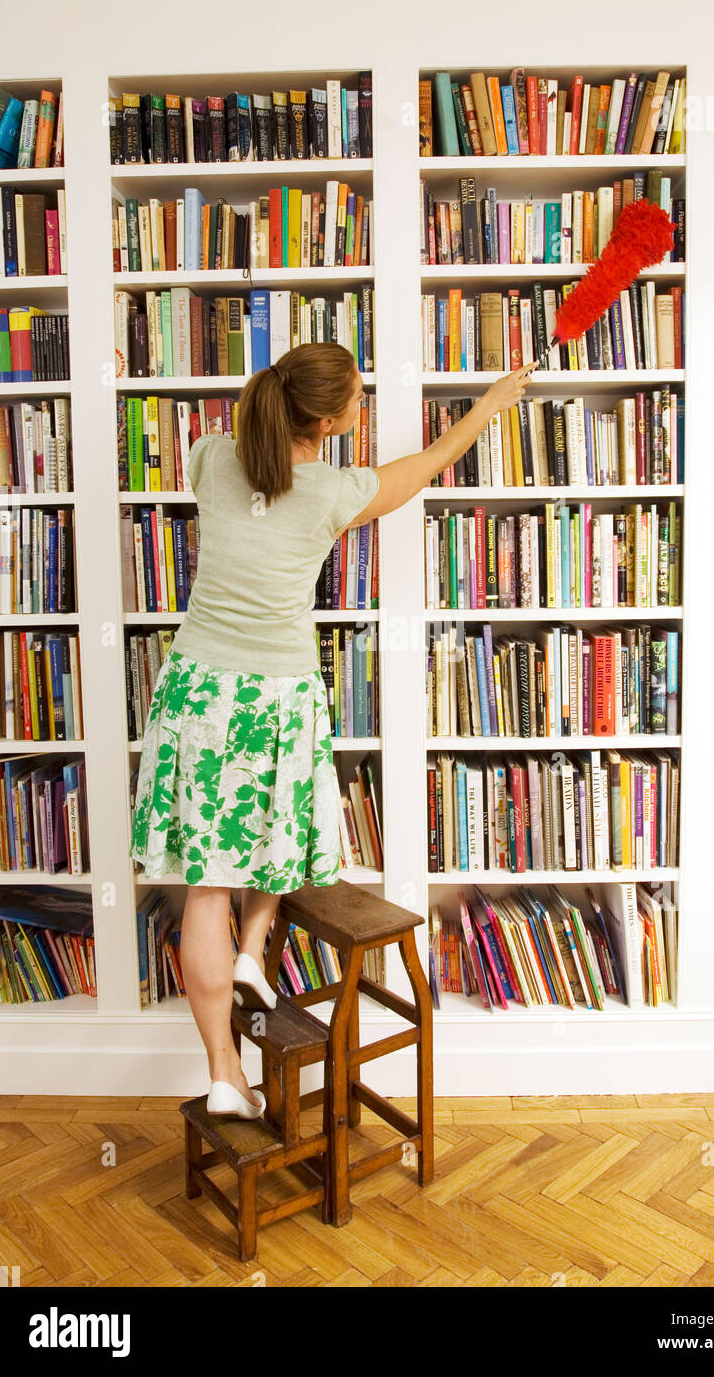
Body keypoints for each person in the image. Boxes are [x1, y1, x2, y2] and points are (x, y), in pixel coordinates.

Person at [129, 340, 538, 1118]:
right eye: (358, 398)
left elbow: (252, 462)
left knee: (204, 884)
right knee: (282, 836)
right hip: (276, 696)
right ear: (327, 420)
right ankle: (252, 954)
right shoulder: (333, 493)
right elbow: (429, 464)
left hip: (194, 694)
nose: (364, 406)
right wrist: (488, 407)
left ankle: (224, 1071)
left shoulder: (208, 456)